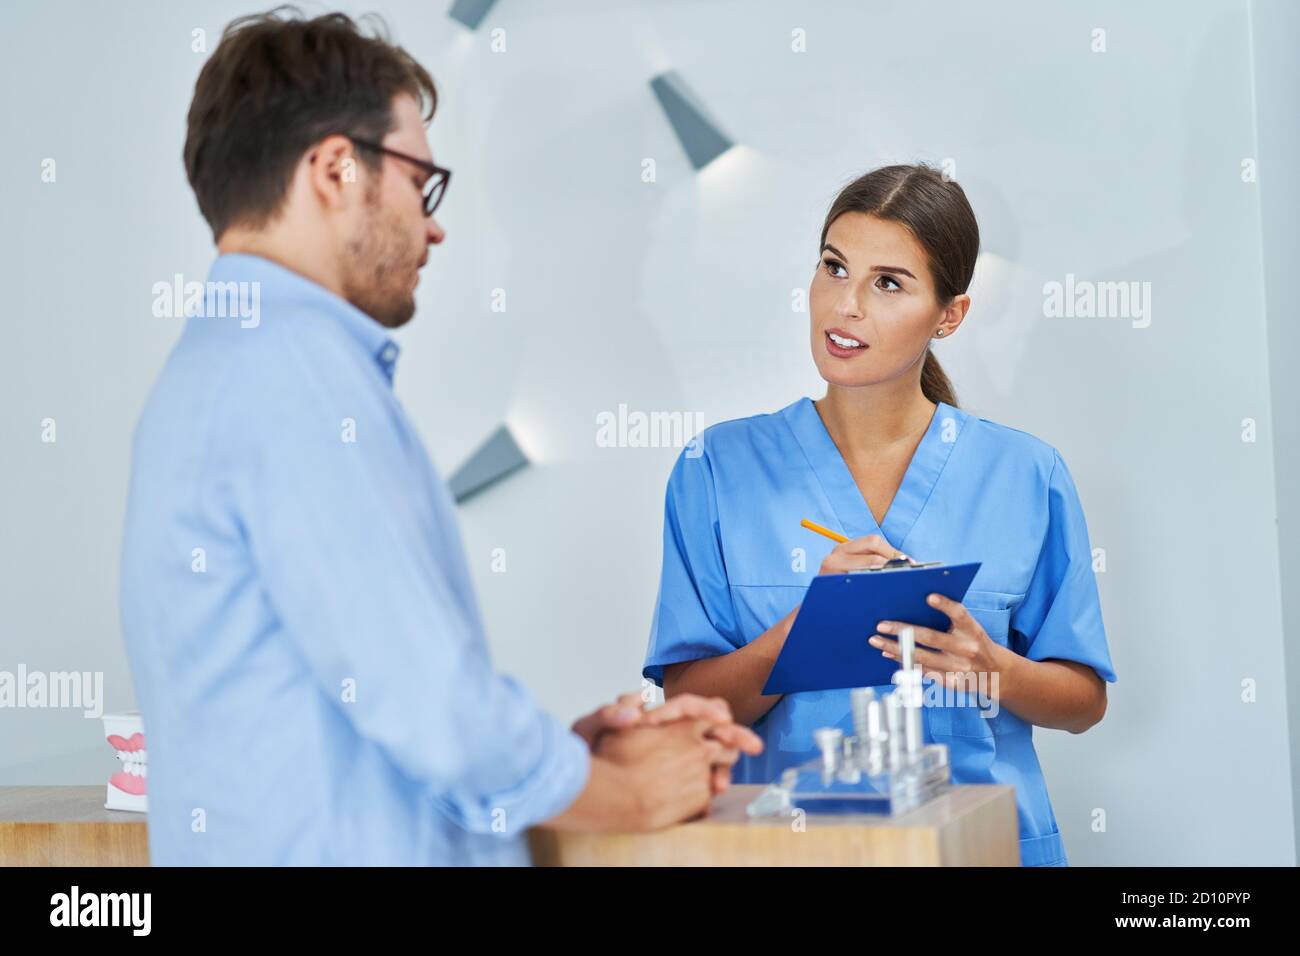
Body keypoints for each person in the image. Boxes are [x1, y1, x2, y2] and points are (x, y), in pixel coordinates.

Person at [120, 9, 760, 866]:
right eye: (422, 180)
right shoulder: (292, 378)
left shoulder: (222, 368)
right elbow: (429, 703)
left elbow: (364, 702)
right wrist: (625, 793)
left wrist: (564, 761)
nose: (434, 224)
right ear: (335, 171)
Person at [642, 164, 1116, 867]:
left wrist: (993, 667)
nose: (846, 305)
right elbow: (689, 709)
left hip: (977, 845)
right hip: (789, 847)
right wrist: (802, 631)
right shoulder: (714, 470)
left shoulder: (1026, 476)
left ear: (949, 315)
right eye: (834, 267)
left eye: (888, 283)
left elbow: (1082, 700)